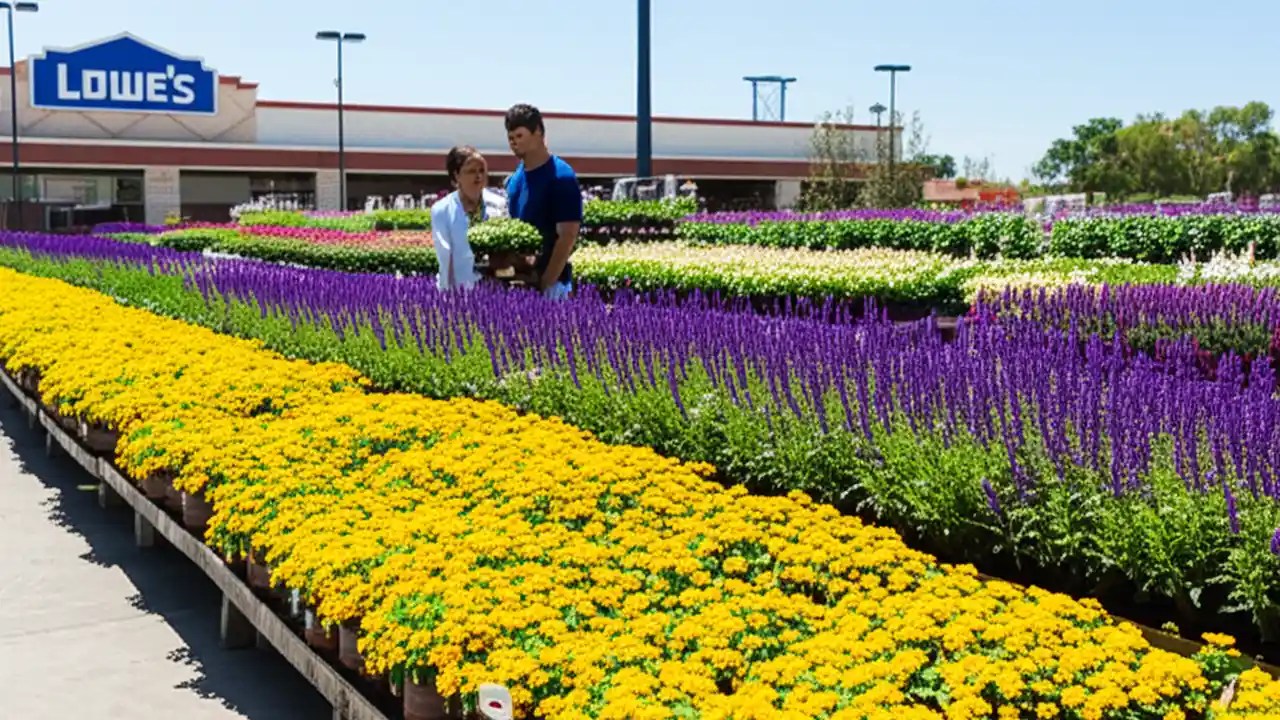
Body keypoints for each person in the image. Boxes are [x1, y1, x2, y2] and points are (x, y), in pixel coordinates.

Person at [502, 103, 583, 300]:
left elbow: (568, 236)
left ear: (538, 132)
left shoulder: (561, 176)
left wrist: (545, 283)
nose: (514, 143)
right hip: (520, 286)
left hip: (553, 287)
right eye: (510, 138)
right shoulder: (514, 180)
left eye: (519, 136)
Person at [430, 145, 502, 291]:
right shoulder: (442, 210)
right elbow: (445, 258)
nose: (479, 176)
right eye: (471, 171)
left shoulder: (499, 204)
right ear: (457, 175)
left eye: (482, 171)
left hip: (494, 291)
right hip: (460, 292)